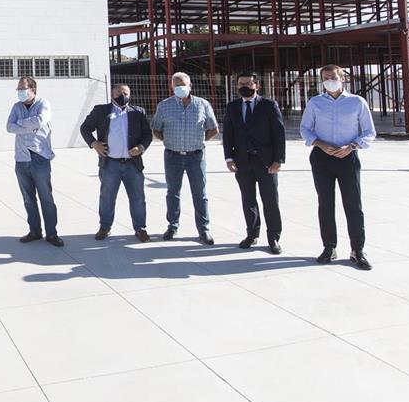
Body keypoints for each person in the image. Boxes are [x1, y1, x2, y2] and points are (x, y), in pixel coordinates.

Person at [300, 63, 376, 270]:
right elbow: (305, 129)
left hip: (347, 156)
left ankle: (357, 250)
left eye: (333, 76)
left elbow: (369, 132)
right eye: (325, 77)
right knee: (325, 203)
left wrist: (352, 146)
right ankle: (329, 247)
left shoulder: (357, 102)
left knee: (353, 204)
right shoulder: (315, 103)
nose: (329, 80)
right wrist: (320, 144)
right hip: (322, 157)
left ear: (343, 78)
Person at [151, 72, 219, 244]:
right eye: (176, 85)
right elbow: (156, 128)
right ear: (171, 87)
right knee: (173, 192)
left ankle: (203, 229)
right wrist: (169, 141)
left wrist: (200, 141)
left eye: (183, 84)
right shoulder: (164, 106)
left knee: (200, 193)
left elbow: (213, 128)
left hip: (196, 156)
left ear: (190, 86)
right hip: (173, 156)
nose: (180, 87)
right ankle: (172, 226)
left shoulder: (202, 105)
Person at [222, 71, 285, 254]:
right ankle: (252, 233)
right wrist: (229, 158)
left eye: (249, 84)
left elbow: (279, 134)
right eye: (241, 83)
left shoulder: (269, 105)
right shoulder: (232, 107)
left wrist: (278, 160)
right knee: (248, 200)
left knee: (270, 200)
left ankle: (273, 237)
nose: (245, 87)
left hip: (266, 162)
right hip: (242, 162)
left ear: (257, 85)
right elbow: (228, 134)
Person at [81, 83, 153, 242]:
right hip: (110, 164)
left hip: (132, 164)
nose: (123, 96)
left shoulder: (138, 112)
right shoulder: (101, 111)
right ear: (112, 94)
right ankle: (104, 227)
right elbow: (85, 128)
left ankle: (140, 228)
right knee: (107, 197)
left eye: (126, 93)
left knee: (137, 198)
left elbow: (148, 134)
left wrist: (141, 147)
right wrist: (94, 144)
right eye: (119, 93)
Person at [7, 76, 63, 246]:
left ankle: (52, 233)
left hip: (40, 157)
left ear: (33, 90)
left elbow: (40, 121)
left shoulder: (43, 104)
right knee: (28, 198)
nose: (20, 92)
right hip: (21, 159)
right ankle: (35, 231)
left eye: (23, 88)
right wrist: (29, 125)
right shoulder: (17, 107)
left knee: (46, 197)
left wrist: (21, 124)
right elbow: (9, 127)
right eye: (18, 89)